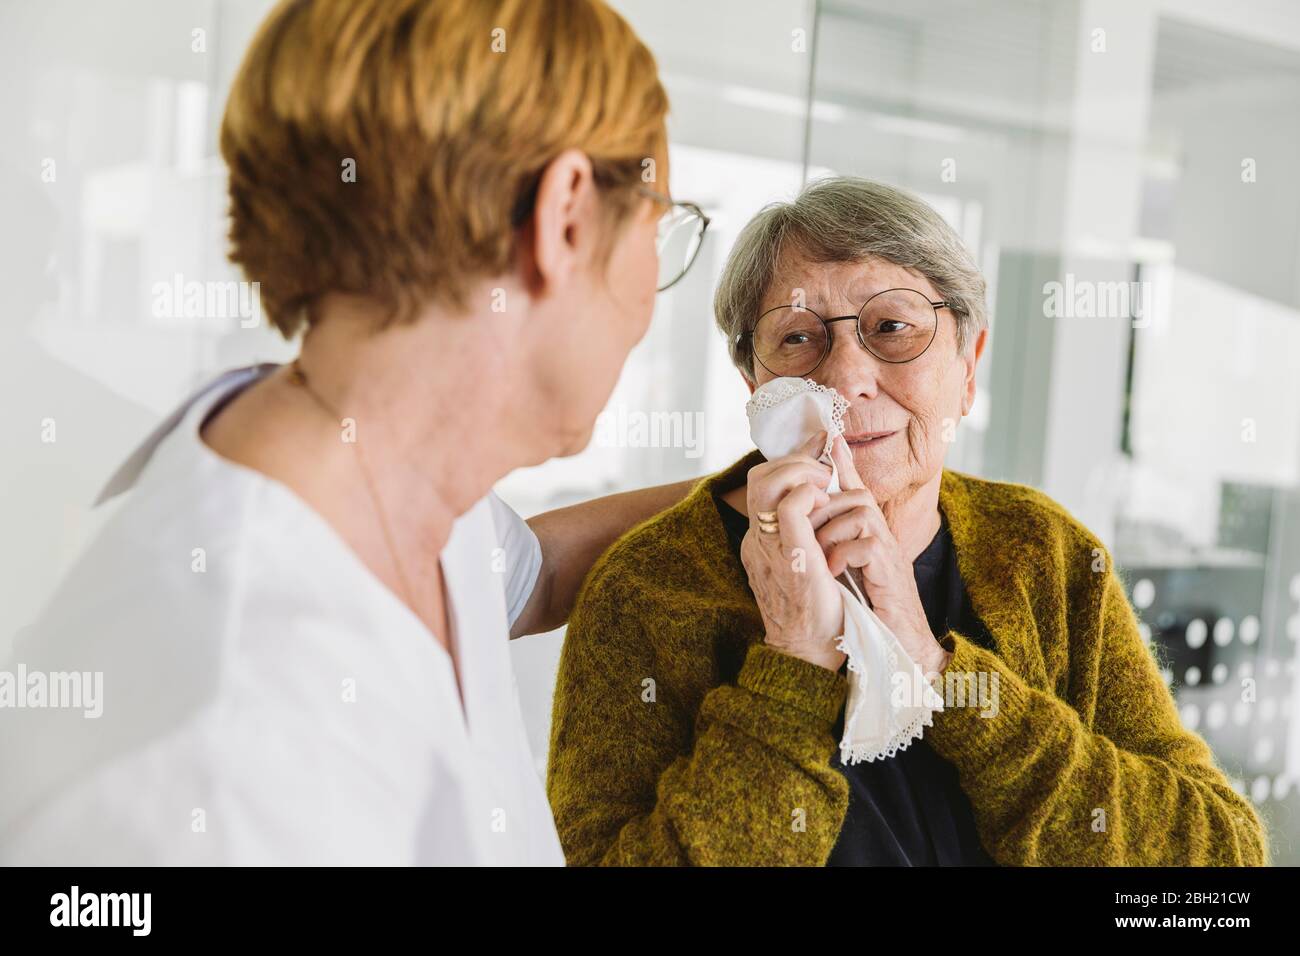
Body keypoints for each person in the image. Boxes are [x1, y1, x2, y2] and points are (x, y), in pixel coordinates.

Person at [0, 0, 704, 865]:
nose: (650, 290)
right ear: (563, 215)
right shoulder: (219, 753)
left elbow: (537, 575)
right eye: (659, 227)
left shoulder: (397, 487)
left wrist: (753, 487)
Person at [545, 176, 1271, 866]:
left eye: (892, 326)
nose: (844, 376)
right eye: (798, 338)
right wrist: (793, 667)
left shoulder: (1044, 553)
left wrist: (943, 674)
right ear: (754, 384)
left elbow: (1221, 857)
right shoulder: (646, 591)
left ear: (968, 364)